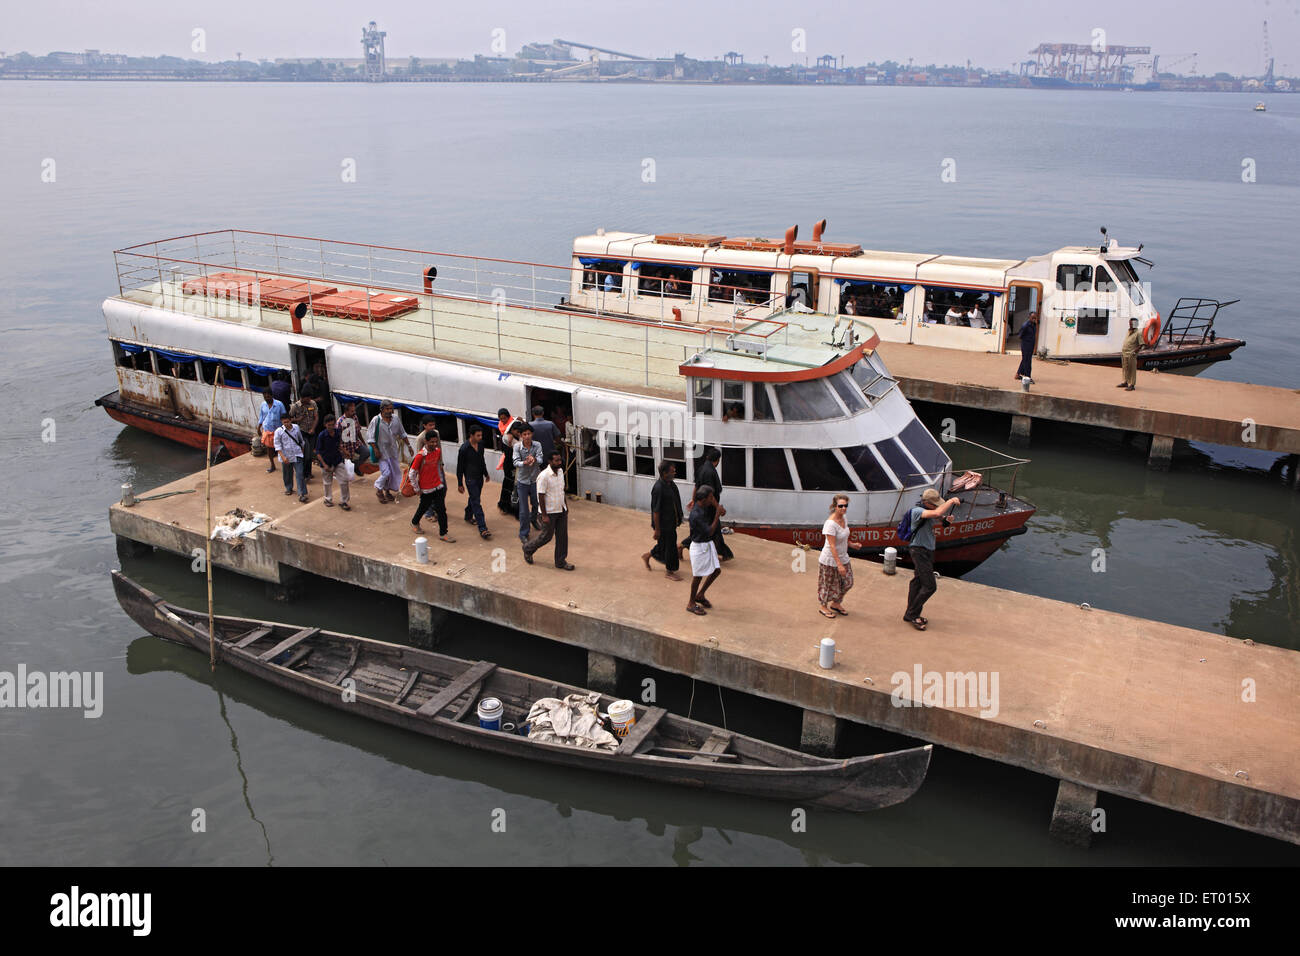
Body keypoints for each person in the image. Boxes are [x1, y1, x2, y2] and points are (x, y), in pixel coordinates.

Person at [903, 488, 961, 631]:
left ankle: (910, 613)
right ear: (927, 502)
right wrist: (951, 501)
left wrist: (946, 521)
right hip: (919, 551)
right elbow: (937, 513)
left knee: (917, 582)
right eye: (935, 504)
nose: (936, 506)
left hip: (927, 551)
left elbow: (940, 518)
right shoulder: (917, 511)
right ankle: (912, 614)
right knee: (930, 586)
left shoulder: (928, 511)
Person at [523, 451, 573, 570]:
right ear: (550, 461)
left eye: (560, 460)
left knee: (562, 537)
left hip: (561, 510)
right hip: (549, 512)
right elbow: (540, 496)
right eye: (556, 460)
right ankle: (528, 548)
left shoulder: (560, 472)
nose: (559, 462)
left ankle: (560, 561)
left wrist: (565, 506)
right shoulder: (544, 476)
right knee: (546, 536)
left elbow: (561, 491)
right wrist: (544, 515)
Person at [642, 461, 684, 580]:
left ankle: (647, 555)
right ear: (665, 473)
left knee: (664, 545)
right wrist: (657, 530)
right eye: (672, 471)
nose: (674, 473)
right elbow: (656, 511)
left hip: (671, 522)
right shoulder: (658, 488)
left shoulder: (670, 484)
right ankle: (669, 572)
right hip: (664, 525)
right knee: (670, 547)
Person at [409, 430, 453, 541]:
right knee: (423, 507)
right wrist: (416, 488)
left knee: (441, 510)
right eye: (432, 442)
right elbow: (412, 473)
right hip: (426, 489)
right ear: (426, 441)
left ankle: (443, 533)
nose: (434, 444)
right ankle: (414, 522)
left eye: (435, 442)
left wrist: (441, 481)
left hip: (438, 486)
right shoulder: (420, 456)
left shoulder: (437, 451)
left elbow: (438, 467)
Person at [691, 448, 733, 561]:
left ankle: (724, 553)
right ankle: (682, 545)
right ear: (717, 460)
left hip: (704, 505)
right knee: (711, 530)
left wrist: (693, 500)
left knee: (710, 530)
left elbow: (696, 486)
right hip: (708, 507)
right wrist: (718, 508)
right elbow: (710, 495)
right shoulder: (709, 472)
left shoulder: (702, 468)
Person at [685, 487, 722, 615]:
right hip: (699, 547)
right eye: (710, 498)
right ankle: (691, 603)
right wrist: (717, 515)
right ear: (703, 499)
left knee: (716, 570)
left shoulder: (702, 508)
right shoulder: (697, 514)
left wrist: (717, 509)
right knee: (698, 576)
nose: (712, 500)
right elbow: (710, 531)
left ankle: (700, 595)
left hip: (706, 544)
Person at [367, 400, 412, 504]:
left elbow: (402, 433)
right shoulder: (376, 420)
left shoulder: (395, 419)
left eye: (391, 409)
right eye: (387, 409)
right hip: (381, 452)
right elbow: (370, 438)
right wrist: (375, 449)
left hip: (392, 451)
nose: (390, 411)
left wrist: (409, 446)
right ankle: (379, 490)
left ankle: (387, 491)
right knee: (386, 472)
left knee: (392, 472)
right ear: (382, 409)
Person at [818, 494, 853, 618]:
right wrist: (839, 565)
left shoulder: (844, 518)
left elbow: (843, 537)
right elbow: (832, 545)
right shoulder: (830, 524)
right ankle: (823, 606)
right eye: (841, 506)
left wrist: (852, 544)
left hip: (843, 556)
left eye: (846, 506)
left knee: (848, 582)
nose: (844, 508)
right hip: (829, 559)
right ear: (835, 506)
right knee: (827, 584)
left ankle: (836, 603)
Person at [456, 423, 492, 539]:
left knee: (474, 498)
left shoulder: (480, 445)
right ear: (471, 435)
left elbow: (482, 460)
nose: (480, 438)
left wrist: (486, 473)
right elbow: (460, 467)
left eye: (481, 435)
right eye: (478, 436)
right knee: (476, 501)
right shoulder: (464, 449)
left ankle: (468, 515)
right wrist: (460, 483)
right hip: (470, 479)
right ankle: (483, 528)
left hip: (479, 477)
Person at [512, 423, 543, 544]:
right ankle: (523, 533)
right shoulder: (517, 447)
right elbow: (515, 462)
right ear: (521, 435)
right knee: (524, 510)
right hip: (522, 481)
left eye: (529, 434)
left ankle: (534, 520)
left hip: (535, 480)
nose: (527, 436)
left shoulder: (537, 445)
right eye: (524, 434)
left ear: (532, 434)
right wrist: (524, 462)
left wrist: (534, 460)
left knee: (536, 503)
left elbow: (540, 459)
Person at [314, 413, 350, 510]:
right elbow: (318, 452)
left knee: (344, 480)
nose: (331, 427)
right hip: (326, 461)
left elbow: (338, 445)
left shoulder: (337, 432)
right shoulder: (322, 436)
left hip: (337, 460)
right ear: (325, 425)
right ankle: (328, 499)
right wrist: (324, 464)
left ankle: (344, 501)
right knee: (327, 483)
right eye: (329, 425)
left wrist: (344, 451)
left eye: (332, 425)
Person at [273, 411, 308, 502]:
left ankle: (302, 494)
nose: (286, 424)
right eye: (284, 422)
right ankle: (289, 488)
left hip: (297, 454)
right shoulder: (279, 431)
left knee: (300, 474)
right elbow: (277, 445)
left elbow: (301, 440)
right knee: (287, 473)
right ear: (282, 422)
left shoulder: (296, 428)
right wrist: (283, 457)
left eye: (288, 422)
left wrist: (302, 451)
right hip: (286, 456)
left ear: (291, 420)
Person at [290, 387, 320, 482]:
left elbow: (316, 417)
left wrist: (313, 428)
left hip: (311, 432)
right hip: (301, 432)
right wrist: (298, 419)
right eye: (308, 398)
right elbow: (289, 419)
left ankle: (308, 473)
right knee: (306, 454)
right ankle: (305, 474)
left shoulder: (313, 404)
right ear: (303, 398)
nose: (309, 399)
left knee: (309, 454)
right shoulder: (295, 406)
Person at [257, 388, 286, 473]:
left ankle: (286, 464)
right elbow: (261, 417)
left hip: (278, 430)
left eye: (268, 396)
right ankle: (272, 465)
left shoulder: (279, 404)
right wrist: (258, 428)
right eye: (265, 397)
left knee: (282, 448)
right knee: (269, 449)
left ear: (272, 396)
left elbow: (284, 416)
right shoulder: (263, 405)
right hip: (267, 429)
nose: (267, 398)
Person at [337, 400, 364, 467]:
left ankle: (356, 466)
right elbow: (336, 439)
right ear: (346, 411)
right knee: (347, 465)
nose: (354, 412)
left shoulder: (355, 417)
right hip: (345, 446)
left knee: (366, 452)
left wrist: (363, 442)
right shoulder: (340, 422)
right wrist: (343, 450)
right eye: (352, 411)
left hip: (355, 444)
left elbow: (358, 431)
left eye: (354, 411)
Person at [1118, 318, 1141, 391]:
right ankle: (1125, 382)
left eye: (1131, 324)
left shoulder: (1138, 333)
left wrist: (1134, 352)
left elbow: (1141, 344)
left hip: (1131, 355)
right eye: (1130, 323)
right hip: (1125, 353)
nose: (1130, 325)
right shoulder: (1128, 331)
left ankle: (1132, 385)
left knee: (1132, 370)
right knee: (1125, 368)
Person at [1016, 310, 1038, 383]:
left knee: (1025, 360)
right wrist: (1026, 341)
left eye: (1035, 318)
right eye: (1032, 318)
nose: (1034, 319)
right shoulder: (1025, 325)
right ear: (1029, 317)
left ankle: (1018, 374)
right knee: (1027, 362)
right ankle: (1027, 377)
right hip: (1026, 345)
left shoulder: (1034, 325)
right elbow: (1020, 336)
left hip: (1031, 345)